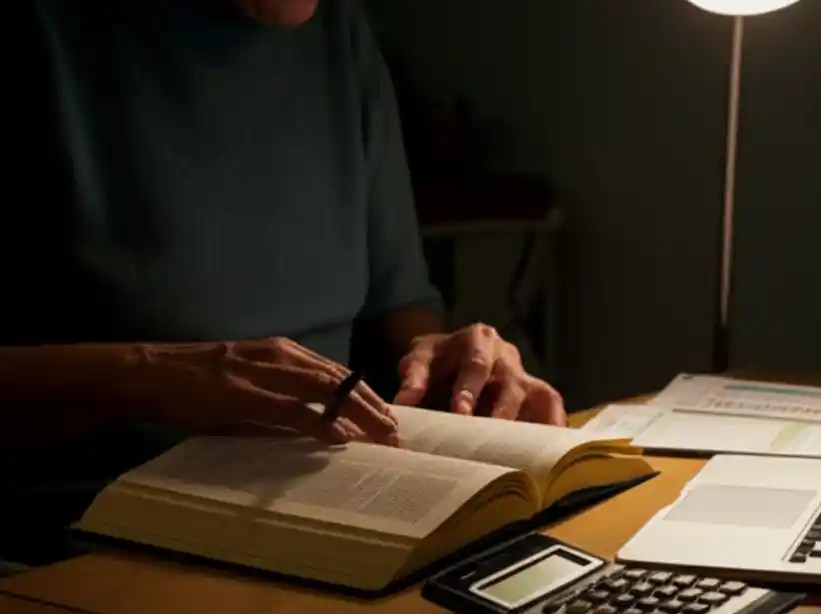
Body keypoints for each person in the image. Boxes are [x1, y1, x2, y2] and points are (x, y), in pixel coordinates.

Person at [2, 0, 565, 566]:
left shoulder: (338, 32)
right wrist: (147, 375)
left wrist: (448, 359)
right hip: (81, 535)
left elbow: (400, 302)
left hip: (324, 506)